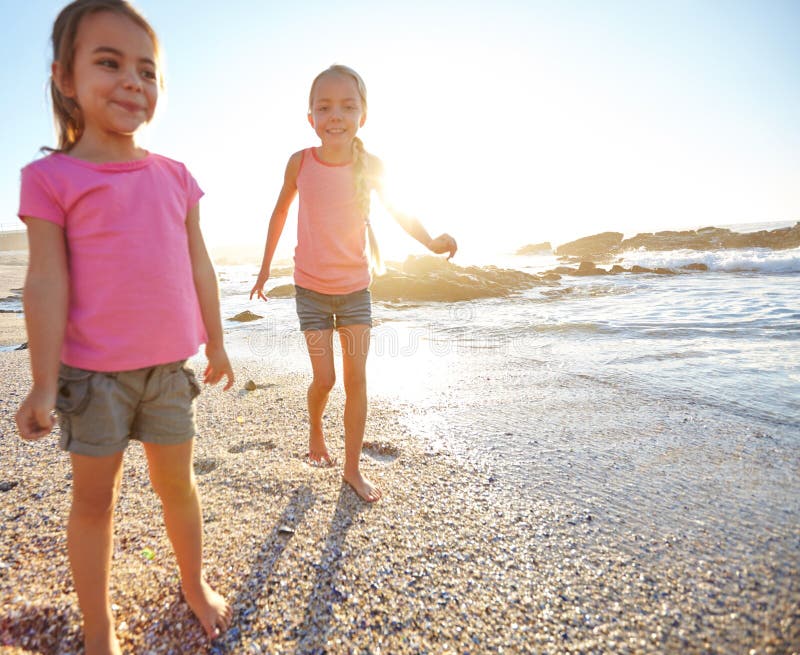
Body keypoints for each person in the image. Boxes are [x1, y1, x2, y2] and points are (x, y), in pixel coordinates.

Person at [14, 1, 234, 652]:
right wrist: (41, 381)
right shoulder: (51, 178)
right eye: (109, 63)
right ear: (64, 77)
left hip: (169, 371)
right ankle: (99, 625)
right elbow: (47, 281)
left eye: (147, 70)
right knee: (93, 501)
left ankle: (193, 581)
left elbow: (200, 265)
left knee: (177, 487)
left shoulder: (176, 177)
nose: (133, 81)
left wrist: (216, 341)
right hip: (92, 379)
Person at [250, 64, 457, 503]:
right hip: (310, 290)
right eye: (324, 107)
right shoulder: (300, 163)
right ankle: (315, 429)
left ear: (363, 115)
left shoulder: (372, 166)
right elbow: (280, 213)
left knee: (357, 380)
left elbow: (401, 212)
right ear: (310, 118)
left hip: (355, 292)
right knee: (324, 380)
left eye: (347, 106)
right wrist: (265, 268)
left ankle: (352, 470)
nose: (335, 115)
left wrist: (432, 241)